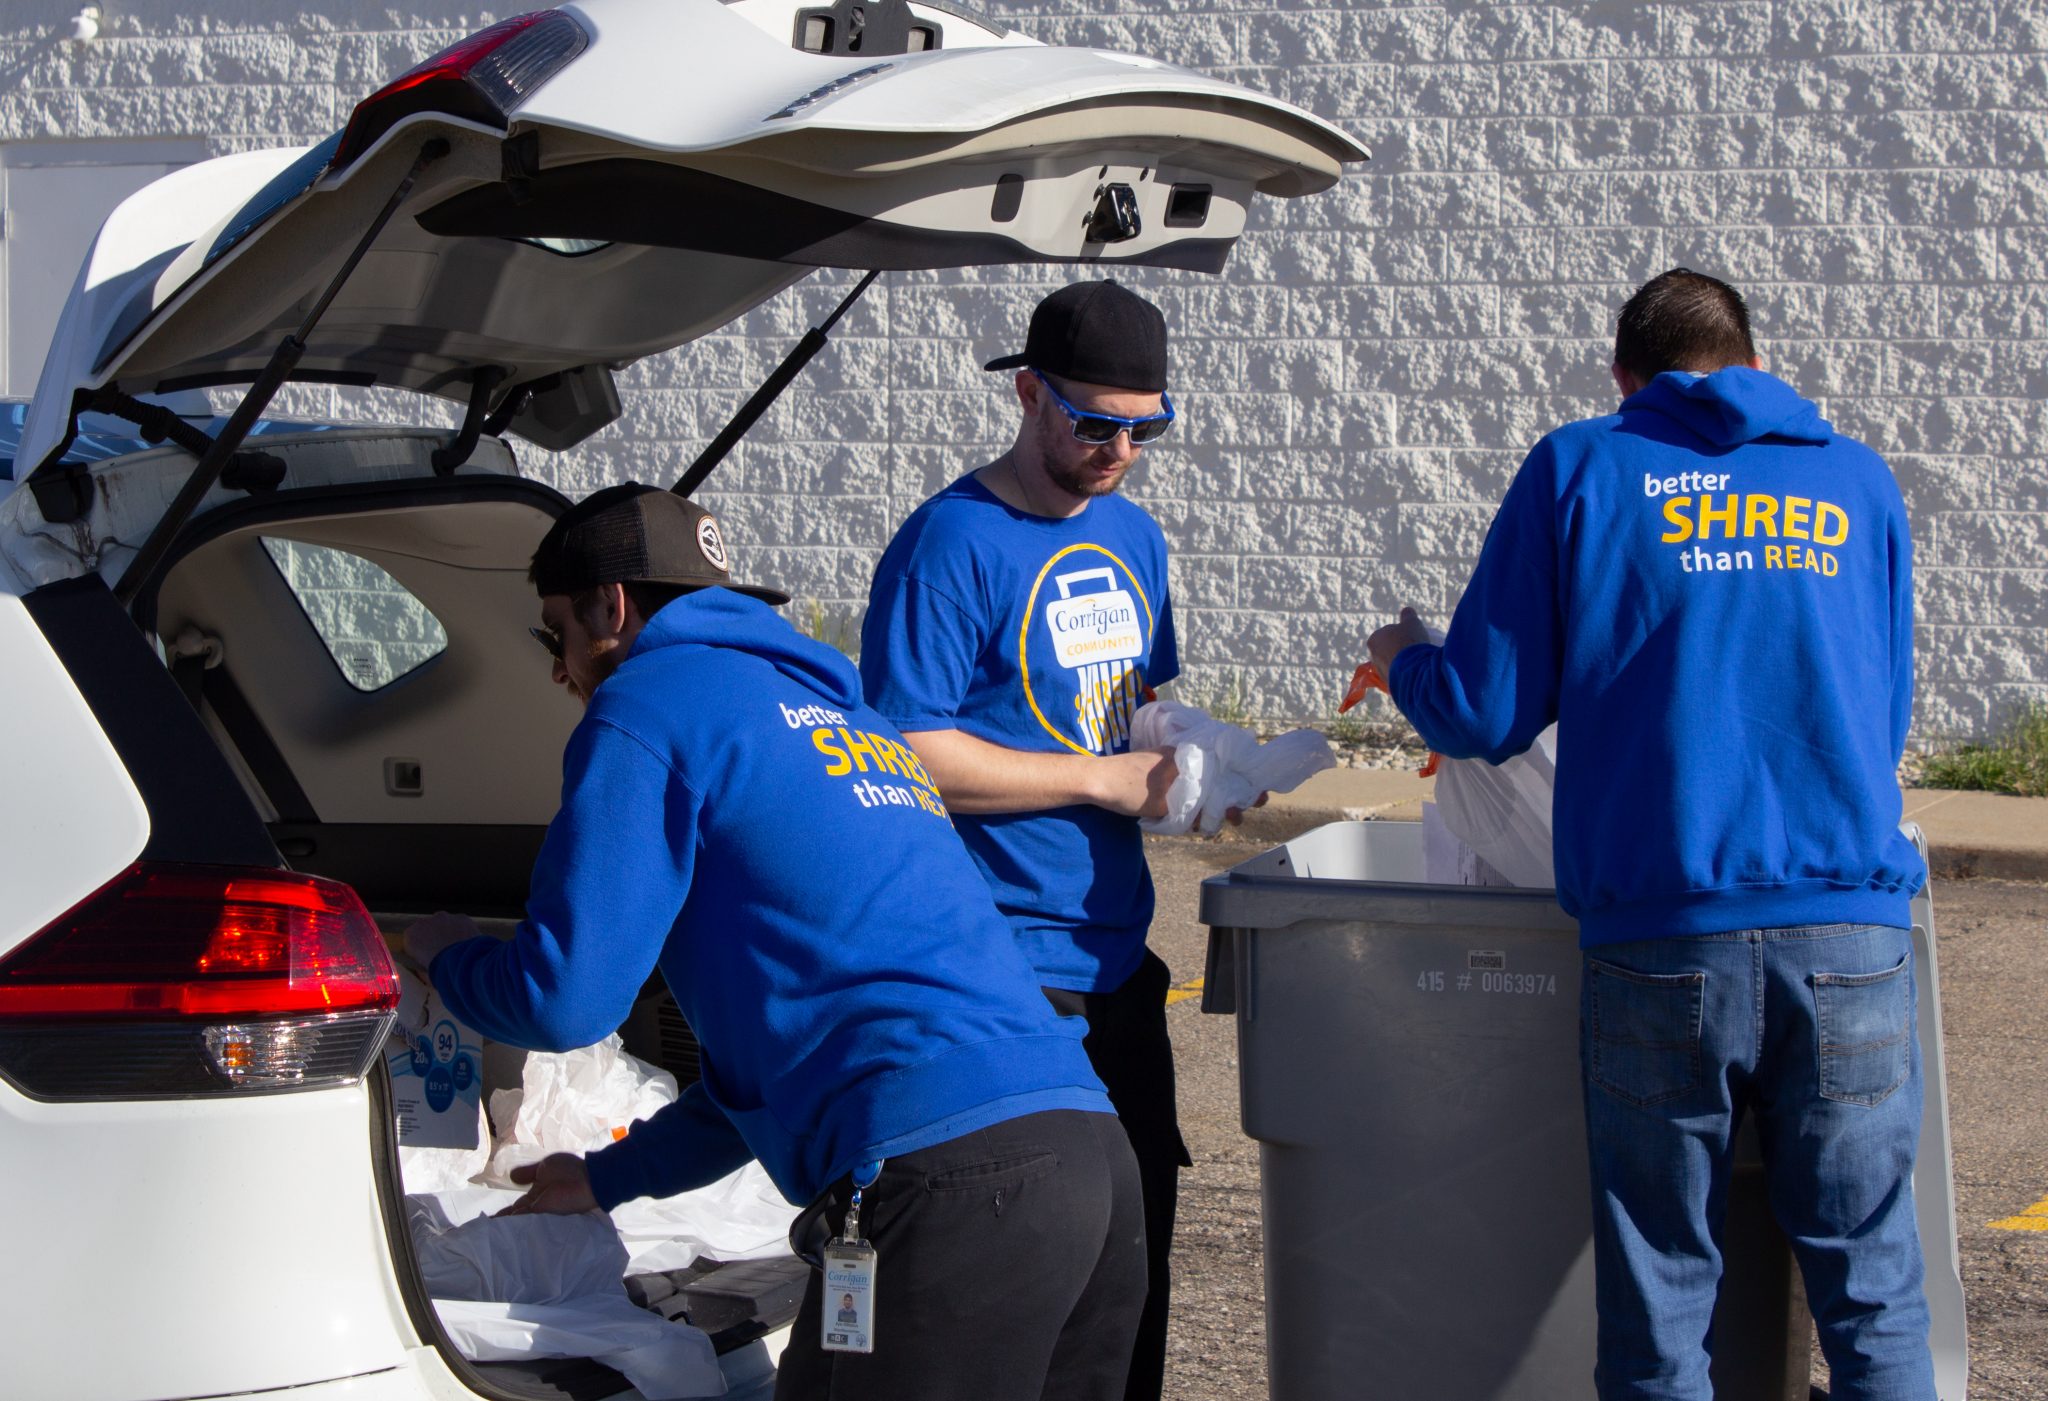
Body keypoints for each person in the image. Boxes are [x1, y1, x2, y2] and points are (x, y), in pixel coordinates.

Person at [406, 483, 1144, 1401]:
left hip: (949, 1185)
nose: (559, 668)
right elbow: (771, 1077)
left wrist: (446, 958)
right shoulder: (843, 719)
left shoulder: (645, 705)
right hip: (1089, 1159)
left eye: (553, 631)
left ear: (611, 606)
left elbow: (565, 998)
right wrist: (608, 1176)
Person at [1365, 269, 1933, 1399]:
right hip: (1851, 933)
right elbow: (1883, 715)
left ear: (1626, 379)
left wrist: (1399, 659)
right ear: (1752, 363)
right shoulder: (1858, 483)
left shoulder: (1582, 466)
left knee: (1662, 1293)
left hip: (1664, 938)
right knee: (1869, 1289)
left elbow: (1480, 713)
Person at [859, 279, 1196, 1401]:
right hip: (1002, 976)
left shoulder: (1133, 535)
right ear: (1026, 394)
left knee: (1127, 1289)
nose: (1118, 449)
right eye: (1094, 421)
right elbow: (905, 751)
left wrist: (1195, 759)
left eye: (1144, 427)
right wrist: (1097, 781)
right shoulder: (950, 543)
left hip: (1115, 962)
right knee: (1018, 1306)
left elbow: (1133, 700)